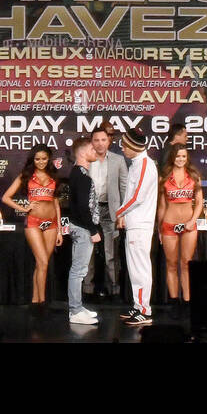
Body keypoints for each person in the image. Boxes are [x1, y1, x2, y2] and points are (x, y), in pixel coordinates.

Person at [2, 145, 62, 312]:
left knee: (42, 264)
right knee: (42, 262)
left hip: (51, 223)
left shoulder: (54, 175)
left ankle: (35, 301)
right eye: (37, 159)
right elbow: (6, 197)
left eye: (44, 158)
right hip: (34, 222)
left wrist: (59, 230)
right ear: (32, 159)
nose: (41, 162)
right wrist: (23, 208)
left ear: (48, 158)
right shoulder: (26, 176)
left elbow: (56, 203)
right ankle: (43, 303)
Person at [115, 128, 158, 327]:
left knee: (140, 269)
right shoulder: (136, 164)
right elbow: (131, 194)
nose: (122, 148)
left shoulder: (144, 165)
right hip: (135, 224)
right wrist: (124, 214)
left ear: (134, 146)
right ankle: (139, 306)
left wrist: (119, 212)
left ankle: (144, 310)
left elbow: (137, 197)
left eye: (125, 145)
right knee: (135, 269)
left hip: (140, 225)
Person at [156, 144, 203, 305]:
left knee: (186, 263)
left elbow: (199, 203)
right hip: (169, 224)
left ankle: (188, 300)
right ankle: (174, 301)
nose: (180, 159)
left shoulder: (194, 176)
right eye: (177, 156)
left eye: (183, 156)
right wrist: (159, 228)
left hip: (189, 226)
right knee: (171, 264)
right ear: (172, 157)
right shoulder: (164, 177)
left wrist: (192, 221)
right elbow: (162, 206)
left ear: (187, 157)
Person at [84, 124, 125, 303]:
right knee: (88, 252)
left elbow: (124, 189)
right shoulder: (85, 159)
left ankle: (114, 290)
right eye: (96, 140)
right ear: (91, 142)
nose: (100, 144)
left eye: (103, 140)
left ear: (109, 141)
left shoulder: (118, 160)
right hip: (90, 210)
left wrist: (122, 213)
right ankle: (87, 290)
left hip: (110, 209)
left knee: (111, 254)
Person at [65, 137, 102, 325]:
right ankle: (75, 311)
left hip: (80, 227)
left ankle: (77, 307)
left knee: (80, 270)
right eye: (92, 149)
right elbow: (82, 207)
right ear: (81, 152)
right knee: (78, 271)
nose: (96, 152)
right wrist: (93, 230)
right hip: (82, 228)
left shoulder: (78, 174)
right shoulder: (81, 176)